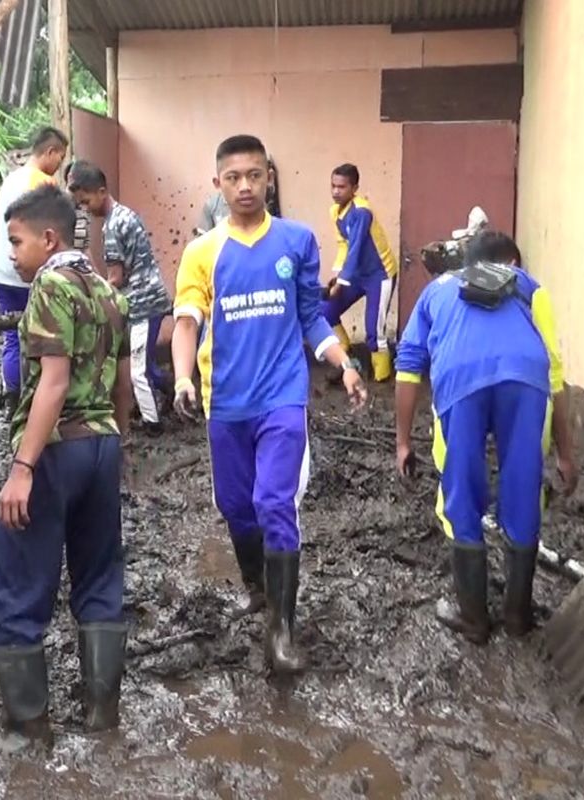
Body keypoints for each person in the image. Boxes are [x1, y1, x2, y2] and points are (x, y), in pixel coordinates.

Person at [171, 135, 367, 675]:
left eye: (254, 176)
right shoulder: (201, 252)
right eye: (233, 178)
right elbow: (187, 321)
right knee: (237, 507)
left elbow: (311, 315)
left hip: (282, 395)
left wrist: (343, 363)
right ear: (218, 184)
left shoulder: (297, 241)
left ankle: (281, 630)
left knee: (274, 503)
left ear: (269, 179)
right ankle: (257, 587)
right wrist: (183, 378)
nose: (245, 186)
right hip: (226, 401)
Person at [0, 185, 133, 734]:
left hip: (55, 449)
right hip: (102, 446)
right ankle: (101, 718)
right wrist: (119, 448)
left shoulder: (49, 285)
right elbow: (122, 385)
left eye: (16, 242)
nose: (14, 255)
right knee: (98, 581)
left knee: (12, 593)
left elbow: (54, 380)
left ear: (49, 239)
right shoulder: (109, 293)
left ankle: (32, 732)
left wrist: (22, 468)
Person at [395, 231, 576, 644]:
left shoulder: (435, 291)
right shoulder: (529, 286)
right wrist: (566, 454)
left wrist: (402, 441)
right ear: (510, 261)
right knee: (522, 486)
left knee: (460, 491)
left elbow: (408, 368)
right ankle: (517, 619)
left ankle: (474, 620)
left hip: (461, 379)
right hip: (526, 378)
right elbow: (556, 377)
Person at [69, 161, 174, 431]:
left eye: (87, 201)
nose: (86, 208)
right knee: (147, 363)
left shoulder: (113, 226)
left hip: (141, 304)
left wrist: (94, 293)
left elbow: (115, 278)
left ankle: (153, 424)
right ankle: (174, 394)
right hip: (153, 296)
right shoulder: (126, 214)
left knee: (138, 371)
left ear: (101, 192)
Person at [0, 127, 69, 415]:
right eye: (60, 157)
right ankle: (34, 402)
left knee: (11, 337)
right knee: (39, 338)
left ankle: (12, 397)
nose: (60, 164)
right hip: (28, 272)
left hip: (1, 269)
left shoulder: (11, 178)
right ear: (50, 152)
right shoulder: (43, 183)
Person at [322, 163, 399, 383]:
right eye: (333, 186)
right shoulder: (335, 211)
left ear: (354, 188)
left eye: (342, 187)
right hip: (355, 274)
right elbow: (343, 246)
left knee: (374, 332)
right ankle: (346, 355)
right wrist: (338, 276)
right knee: (326, 310)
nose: (336, 192)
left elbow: (355, 248)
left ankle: (382, 380)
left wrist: (341, 282)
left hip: (379, 274)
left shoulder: (362, 211)